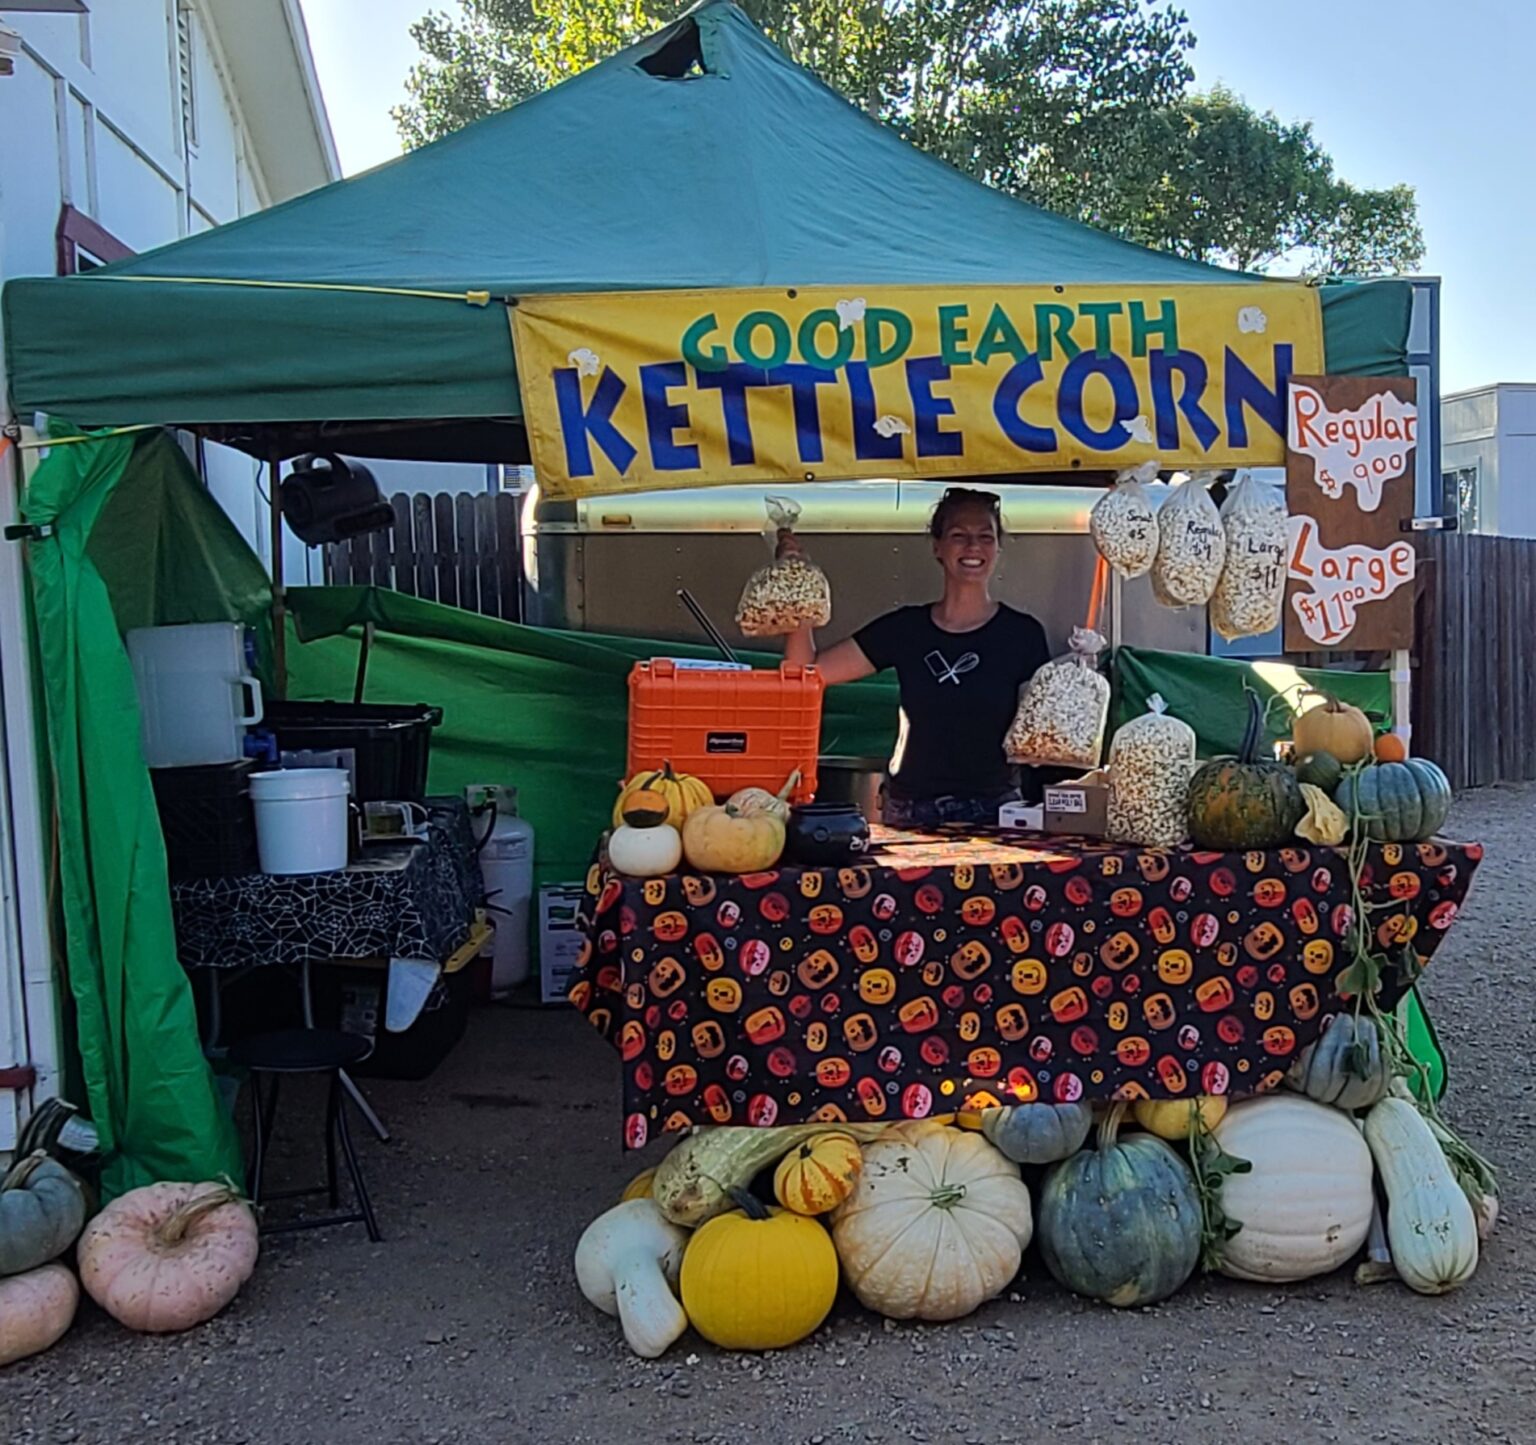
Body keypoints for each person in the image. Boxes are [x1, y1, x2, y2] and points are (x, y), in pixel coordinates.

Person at [782, 487, 1050, 828]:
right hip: (911, 811)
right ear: (937, 547)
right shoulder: (906, 629)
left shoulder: (1022, 634)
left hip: (996, 811)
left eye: (985, 536)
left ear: (998, 547)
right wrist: (795, 590)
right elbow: (805, 674)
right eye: (958, 535)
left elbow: (1044, 735)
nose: (973, 547)